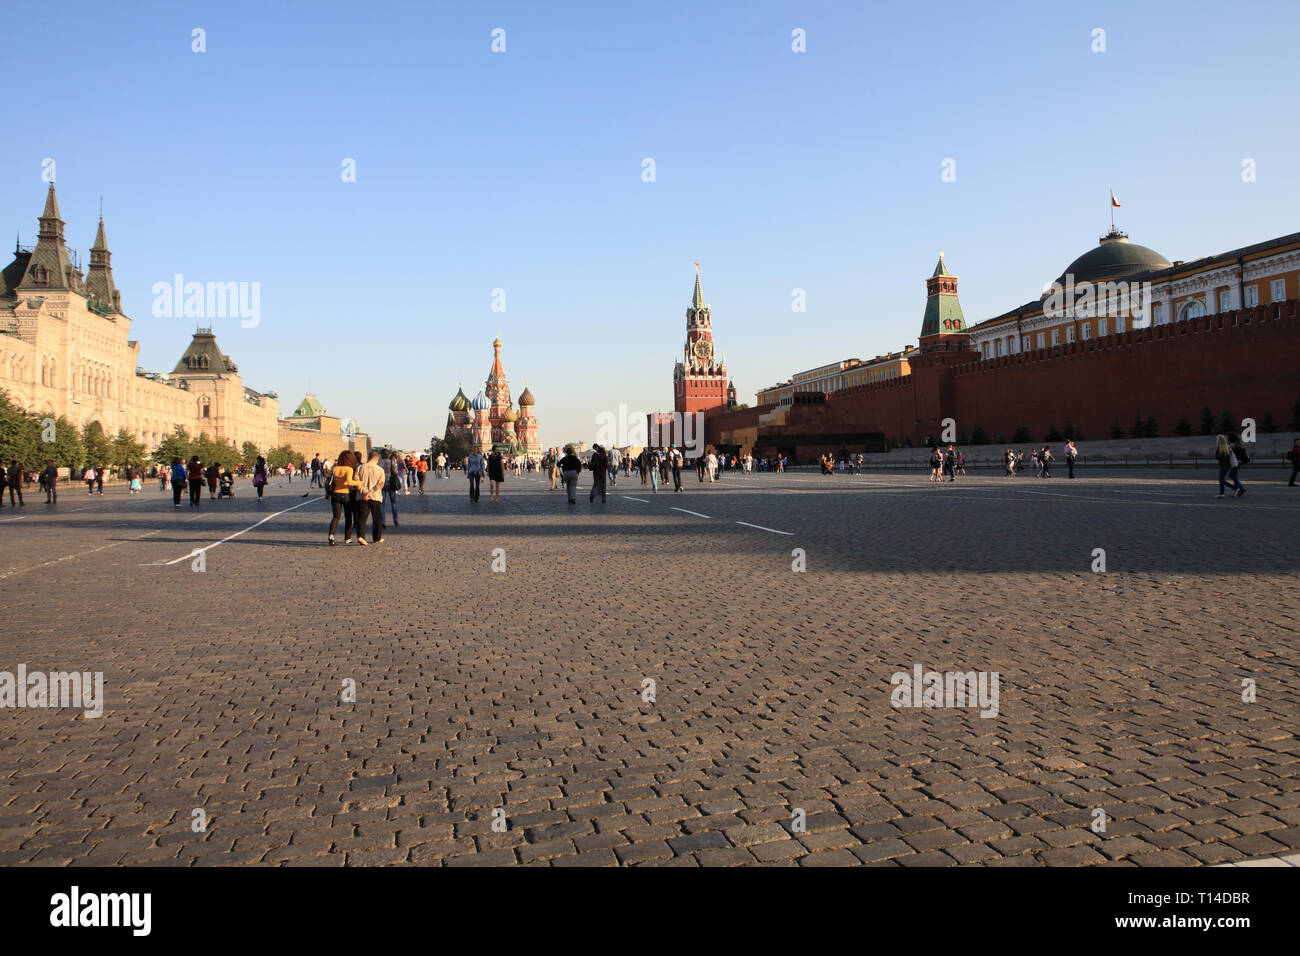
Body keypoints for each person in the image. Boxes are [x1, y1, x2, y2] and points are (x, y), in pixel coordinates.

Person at [327, 450, 361, 544]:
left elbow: (330, 482)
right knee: (348, 516)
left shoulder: (335, 468)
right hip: (345, 494)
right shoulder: (349, 469)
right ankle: (347, 538)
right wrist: (360, 483)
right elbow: (349, 482)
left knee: (336, 517)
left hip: (335, 494)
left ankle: (331, 535)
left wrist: (328, 494)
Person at [354, 450, 385, 545]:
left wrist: (364, 491)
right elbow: (381, 484)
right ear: (377, 459)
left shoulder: (360, 468)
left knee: (362, 517)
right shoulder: (380, 470)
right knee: (377, 518)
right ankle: (377, 537)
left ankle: (361, 536)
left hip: (362, 496)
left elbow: (356, 481)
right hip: (375, 497)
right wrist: (371, 492)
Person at [383, 452, 402, 527]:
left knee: (382, 503)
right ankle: (395, 520)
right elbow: (395, 472)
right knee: (393, 503)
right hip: (391, 483)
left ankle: (383, 521)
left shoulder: (379, 463)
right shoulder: (392, 462)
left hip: (382, 483)